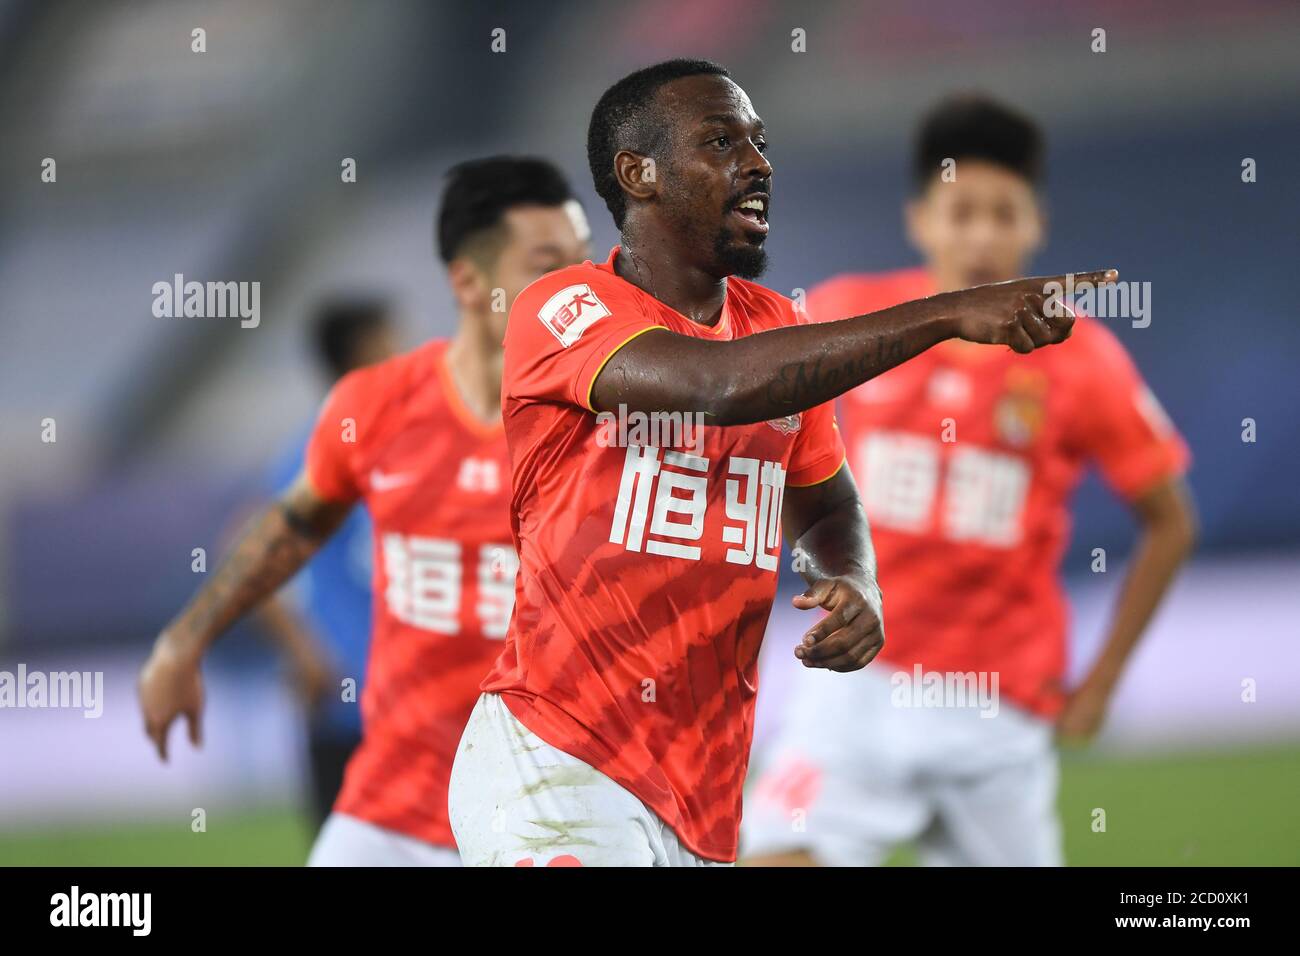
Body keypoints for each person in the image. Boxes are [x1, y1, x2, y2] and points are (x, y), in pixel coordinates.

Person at [447, 59, 1113, 867]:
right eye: (722, 142)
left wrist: (854, 577)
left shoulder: (776, 322)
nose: (758, 165)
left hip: (702, 790)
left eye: (760, 144)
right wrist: (948, 313)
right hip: (554, 764)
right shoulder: (560, 309)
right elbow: (715, 386)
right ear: (638, 174)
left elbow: (827, 504)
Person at [742, 95, 1196, 867]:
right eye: (961, 213)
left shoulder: (1084, 360)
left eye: (1003, 213)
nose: (982, 235)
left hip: (996, 705)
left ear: (1037, 225)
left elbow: (1170, 521)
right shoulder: (855, 313)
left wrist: (1101, 683)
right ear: (920, 220)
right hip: (854, 681)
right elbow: (759, 440)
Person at [138, 156, 591, 866]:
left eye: (584, 263)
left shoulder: (609, 425)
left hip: (547, 821)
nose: (579, 288)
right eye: (546, 264)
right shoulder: (376, 407)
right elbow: (291, 526)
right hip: (393, 813)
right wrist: (183, 643)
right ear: (468, 283)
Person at [260, 298, 397, 831]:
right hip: (347, 705)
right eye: (391, 346)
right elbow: (250, 553)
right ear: (363, 356)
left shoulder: (410, 443)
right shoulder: (316, 454)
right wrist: (304, 653)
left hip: (418, 701)